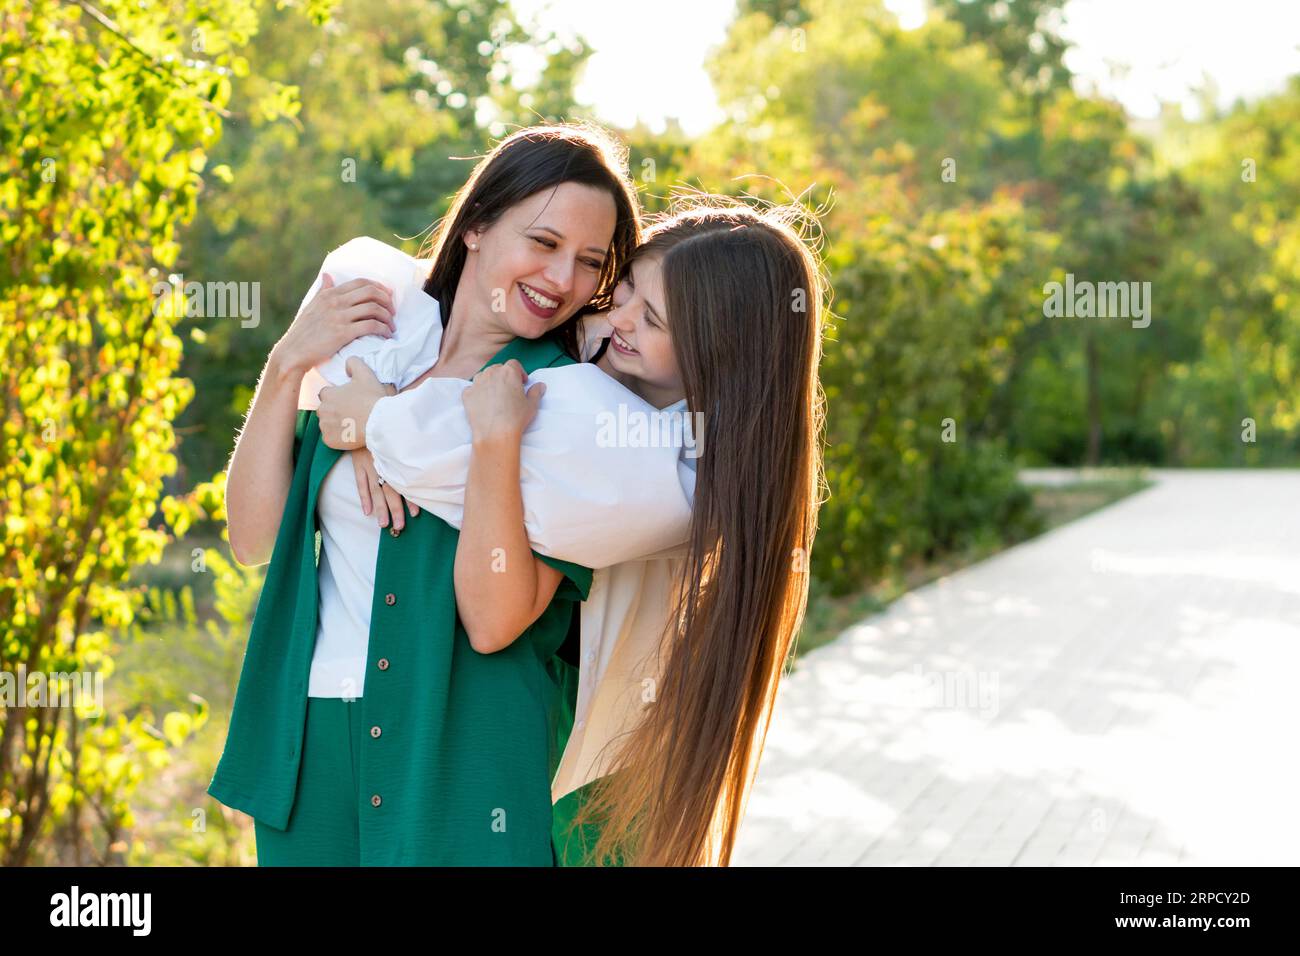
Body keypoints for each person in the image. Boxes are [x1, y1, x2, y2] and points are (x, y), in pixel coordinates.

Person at [314, 197, 830, 865]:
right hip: (592, 756)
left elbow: (488, 595)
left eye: (651, 320)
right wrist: (368, 426)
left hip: (587, 779)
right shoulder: (644, 400)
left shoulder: (639, 457)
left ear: (717, 355)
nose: (616, 318)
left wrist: (376, 421)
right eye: (625, 289)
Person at [206, 122, 642, 865]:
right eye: (543, 243)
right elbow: (252, 540)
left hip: (466, 759)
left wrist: (402, 439)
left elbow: (499, 621)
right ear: (475, 225)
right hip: (310, 744)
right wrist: (288, 365)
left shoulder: (564, 402)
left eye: (590, 262)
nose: (562, 279)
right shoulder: (373, 353)